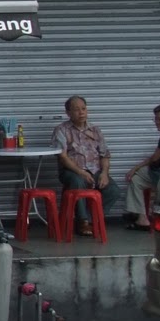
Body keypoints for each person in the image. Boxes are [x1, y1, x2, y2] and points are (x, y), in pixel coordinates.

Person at [52, 95, 124, 236]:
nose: (81, 113)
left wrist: (104, 173)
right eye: (77, 110)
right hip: (72, 171)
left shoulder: (95, 130)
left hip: (95, 170)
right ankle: (82, 221)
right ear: (68, 113)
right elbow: (63, 157)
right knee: (78, 182)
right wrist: (81, 172)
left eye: (84, 109)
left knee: (113, 191)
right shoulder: (61, 130)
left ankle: (92, 220)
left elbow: (104, 155)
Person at [123, 104, 160, 231]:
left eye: (159, 120)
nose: (156, 122)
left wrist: (135, 168)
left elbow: (155, 158)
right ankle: (141, 216)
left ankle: (142, 218)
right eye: (155, 119)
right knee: (138, 179)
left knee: (135, 177)